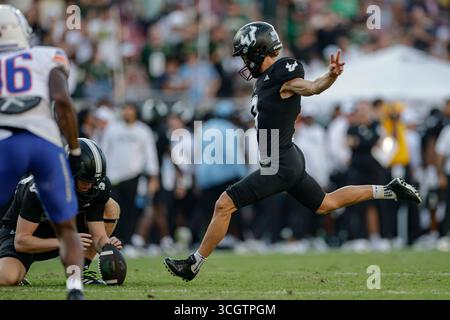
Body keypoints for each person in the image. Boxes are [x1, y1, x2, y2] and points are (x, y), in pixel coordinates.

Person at [164, 21, 422, 281]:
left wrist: (329, 77)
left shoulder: (282, 74)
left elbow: (309, 87)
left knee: (224, 204)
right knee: (326, 203)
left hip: (280, 162)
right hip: (287, 158)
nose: (244, 61)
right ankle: (390, 190)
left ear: (258, 50)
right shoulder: (264, 81)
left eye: (245, 54)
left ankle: (193, 264)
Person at [0, 5, 84, 299]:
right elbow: (61, 100)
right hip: (44, 143)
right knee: (67, 228)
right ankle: (74, 287)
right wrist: (73, 149)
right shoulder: (47, 55)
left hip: (5, 143)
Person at [0, 138, 122, 286]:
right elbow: (21, 241)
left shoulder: (97, 186)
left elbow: (98, 236)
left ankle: (81, 271)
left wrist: (106, 246)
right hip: (25, 235)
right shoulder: (41, 188)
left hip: (64, 232)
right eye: (85, 180)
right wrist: (66, 241)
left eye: (93, 181)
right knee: (8, 278)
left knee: (111, 207)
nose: (90, 186)